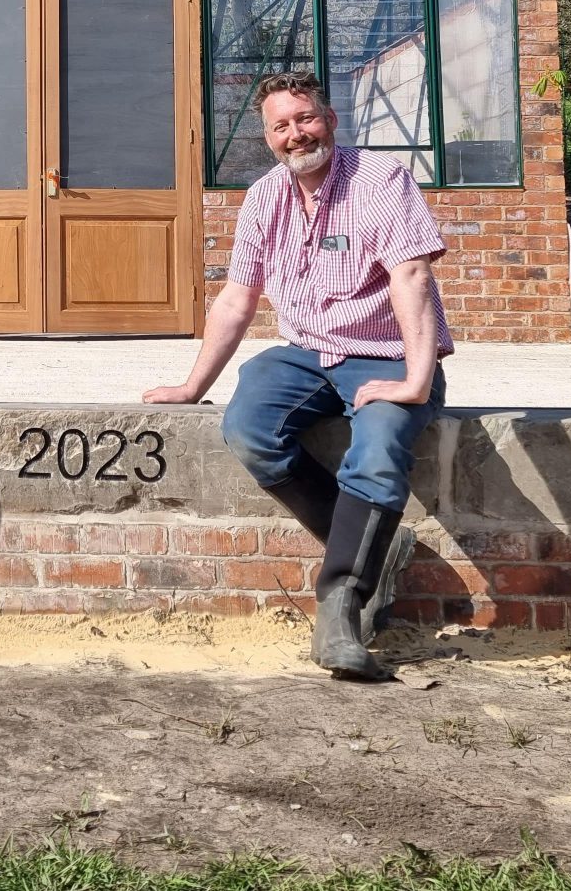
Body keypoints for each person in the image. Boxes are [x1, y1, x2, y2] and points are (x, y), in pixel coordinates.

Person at [144, 72, 450, 680]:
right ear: (268, 137)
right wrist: (193, 387)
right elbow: (238, 298)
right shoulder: (264, 197)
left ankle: (341, 612)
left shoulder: (380, 179)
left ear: (330, 120)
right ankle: (377, 547)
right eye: (280, 126)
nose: (295, 134)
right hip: (306, 352)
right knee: (249, 427)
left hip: (386, 353)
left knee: (378, 451)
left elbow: (411, 275)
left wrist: (416, 381)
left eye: (305, 118)